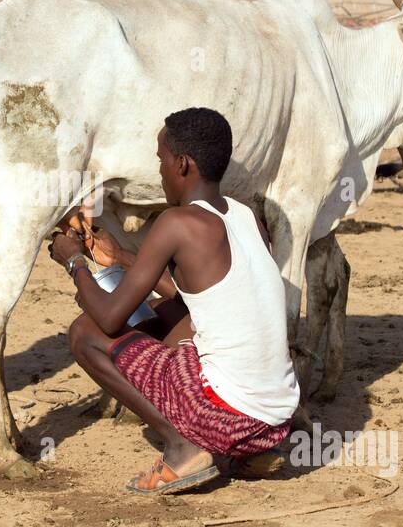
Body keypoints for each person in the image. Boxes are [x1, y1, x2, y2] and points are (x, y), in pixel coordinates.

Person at [48, 108, 299, 495]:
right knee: (171, 313)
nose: (159, 170)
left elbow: (110, 319)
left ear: (182, 165)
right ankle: (245, 455)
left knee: (85, 332)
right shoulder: (248, 217)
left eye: (161, 160)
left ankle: (183, 448)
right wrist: (119, 259)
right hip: (274, 425)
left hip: (227, 420)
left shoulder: (176, 223)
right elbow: (201, 294)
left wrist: (73, 261)